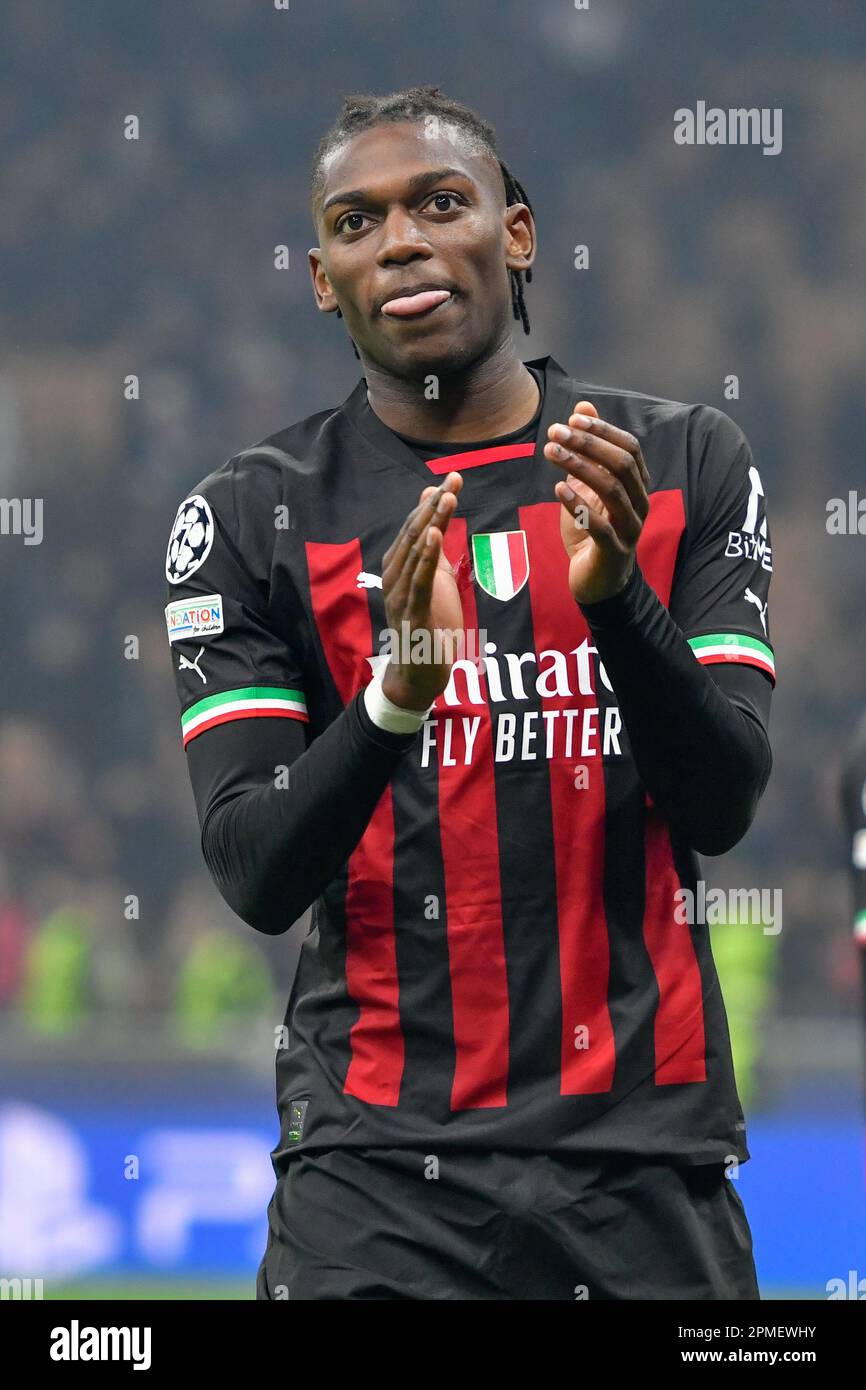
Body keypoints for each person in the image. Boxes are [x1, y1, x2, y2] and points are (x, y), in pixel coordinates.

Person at [164, 86, 775, 1299]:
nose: (398, 240)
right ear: (321, 279)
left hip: (642, 1163)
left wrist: (614, 603)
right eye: (355, 223)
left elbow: (721, 800)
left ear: (516, 233)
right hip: (378, 1174)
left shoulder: (679, 461)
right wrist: (397, 696)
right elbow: (255, 869)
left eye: (440, 203)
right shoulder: (247, 516)